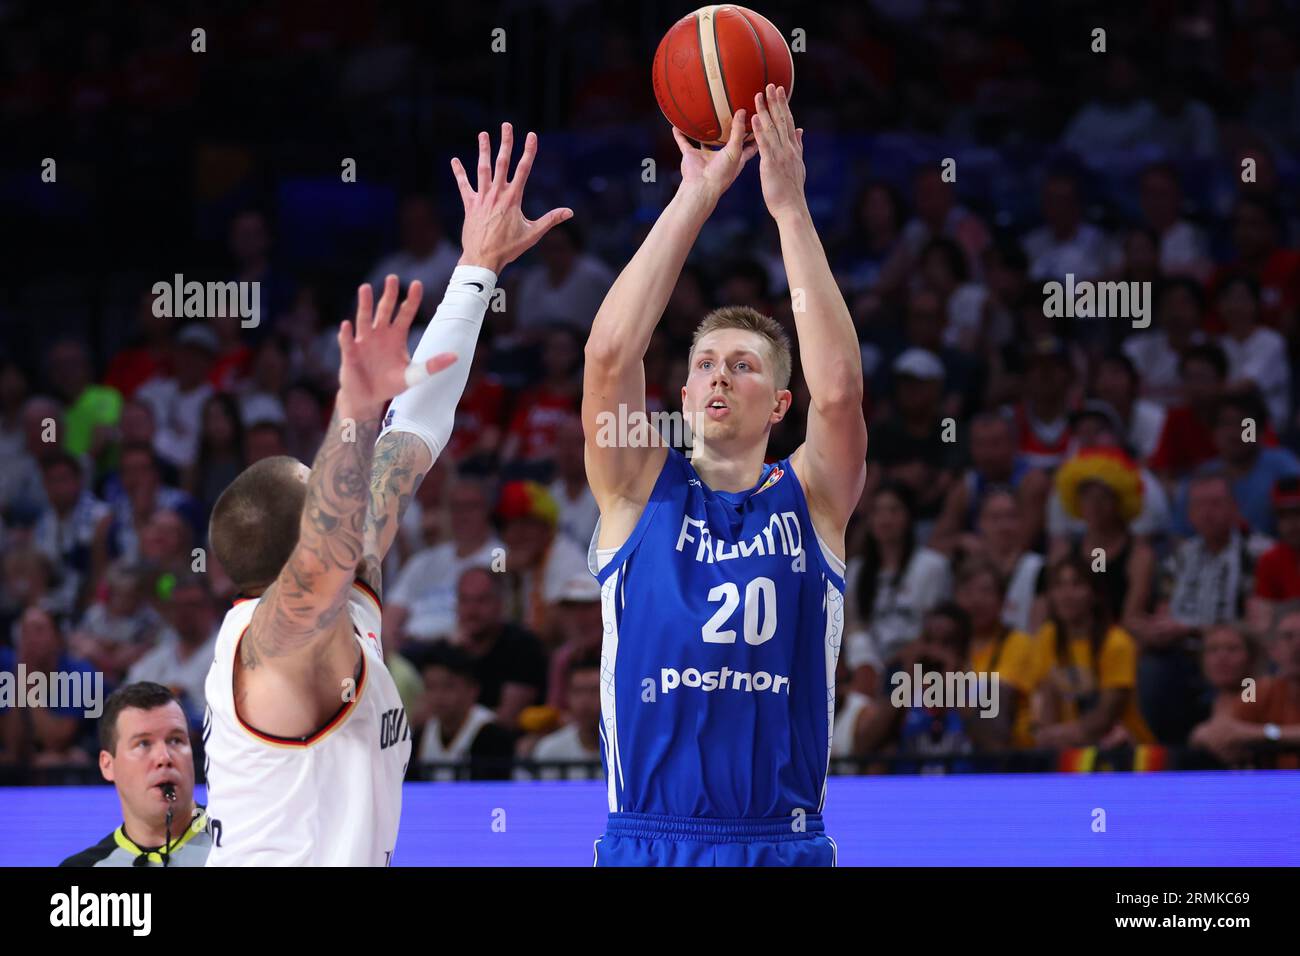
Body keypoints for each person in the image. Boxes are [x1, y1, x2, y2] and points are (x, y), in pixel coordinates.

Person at [201, 123, 569, 866]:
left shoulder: (348, 592)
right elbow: (328, 551)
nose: (352, 497)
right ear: (301, 545)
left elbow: (417, 430)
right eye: (324, 493)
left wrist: (476, 267)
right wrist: (351, 414)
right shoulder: (266, 647)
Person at [582, 86, 866, 866]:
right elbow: (609, 356)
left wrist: (790, 210)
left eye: (742, 367)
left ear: (778, 402)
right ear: (682, 395)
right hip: (648, 838)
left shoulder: (813, 498)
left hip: (779, 840)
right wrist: (696, 196)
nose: (717, 377)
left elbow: (838, 391)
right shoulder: (639, 488)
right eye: (704, 363)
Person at [60, 682, 211, 867]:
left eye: (175, 740)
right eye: (143, 744)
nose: (164, 757)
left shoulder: (240, 840)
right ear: (107, 765)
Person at [1031, 555, 1156, 749]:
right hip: (1068, 744)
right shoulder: (1047, 636)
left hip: (1123, 747)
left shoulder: (1117, 643)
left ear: (1094, 594)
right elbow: (1047, 695)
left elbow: (1106, 716)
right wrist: (1047, 737)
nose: (1067, 594)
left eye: (1077, 585)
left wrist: (1060, 735)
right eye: (1059, 586)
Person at [1190, 604, 1300, 767]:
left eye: (1233, 649)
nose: (1298, 645)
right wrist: (1204, 734)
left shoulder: (1252, 686)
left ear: (1252, 657)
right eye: (1288, 637)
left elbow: (1247, 731)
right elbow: (1224, 730)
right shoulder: (1260, 688)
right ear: (1273, 649)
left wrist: (1263, 733)